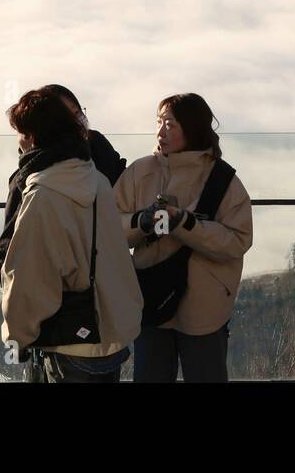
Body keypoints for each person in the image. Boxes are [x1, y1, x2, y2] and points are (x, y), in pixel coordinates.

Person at [0, 86, 142, 382]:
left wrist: (17, 335)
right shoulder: (96, 179)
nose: (19, 140)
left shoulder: (42, 193)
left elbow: (29, 275)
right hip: (110, 332)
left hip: (69, 339)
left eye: (21, 131)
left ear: (34, 135)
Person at [116, 93, 253, 382]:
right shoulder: (139, 173)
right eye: (159, 122)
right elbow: (109, 228)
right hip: (151, 298)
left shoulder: (223, 180)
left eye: (170, 124)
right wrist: (142, 221)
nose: (160, 132)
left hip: (205, 305)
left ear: (192, 128)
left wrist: (184, 223)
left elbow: (238, 241)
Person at [0, 83, 127, 275]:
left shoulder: (96, 146)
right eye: (68, 117)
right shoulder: (25, 180)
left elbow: (126, 186)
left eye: (78, 113)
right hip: (69, 279)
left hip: (99, 272)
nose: (77, 122)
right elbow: (9, 243)